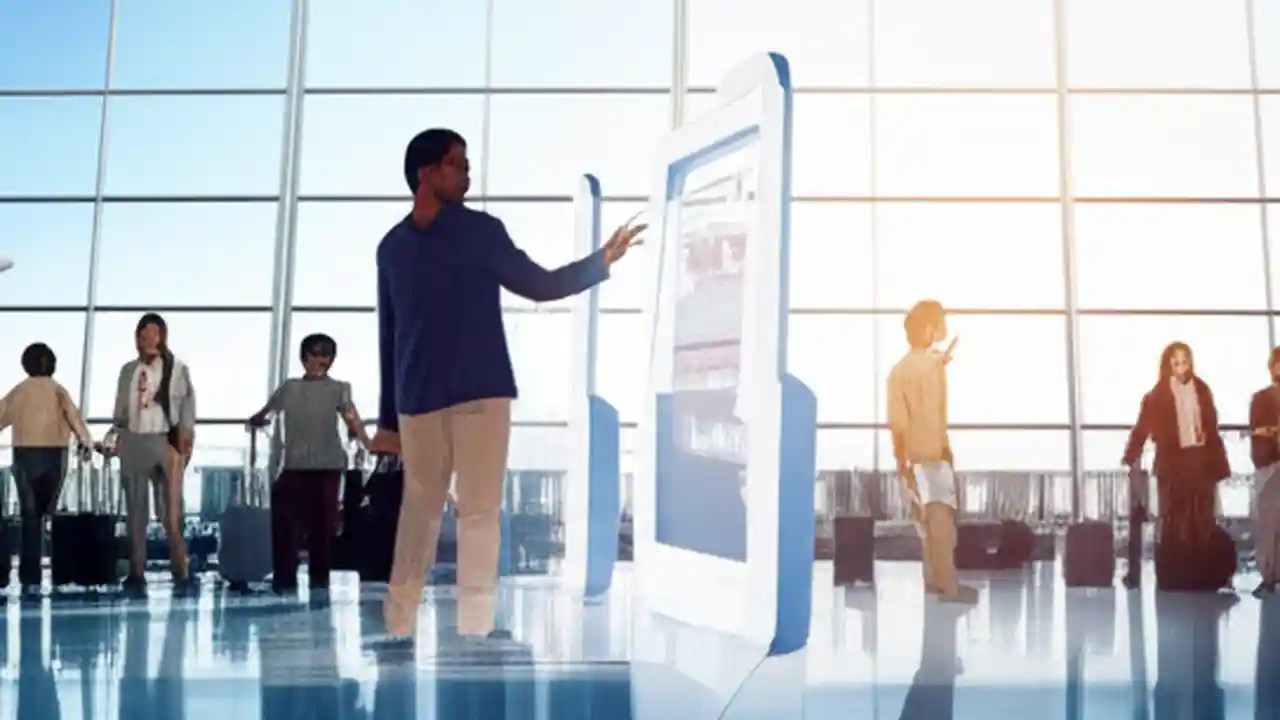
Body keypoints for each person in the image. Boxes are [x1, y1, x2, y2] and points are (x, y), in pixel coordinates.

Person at [372, 128, 644, 643]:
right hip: (419, 402)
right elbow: (388, 335)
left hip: (480, 394)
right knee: (420, 514)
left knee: (477, 514)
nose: (468, 171)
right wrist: (387, 422)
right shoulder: (391, 249)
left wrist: (600, 261)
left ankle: (471, 630)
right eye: (457, 163)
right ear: (426, 172)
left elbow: (539, 285)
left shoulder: (482, 232)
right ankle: (398, 623)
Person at [248, 332, 370, 593]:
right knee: (286, 522)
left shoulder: (339, 389)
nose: (323, 359)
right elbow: (266, 412)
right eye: (317, 353)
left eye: (327, 354)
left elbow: (352, 418)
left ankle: (318, 580)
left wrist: (367, 442)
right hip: (295, 465)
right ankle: (285, 577)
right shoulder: (290, 388)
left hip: (327, 465)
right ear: (305, 357)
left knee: (322, 528)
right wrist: (257, 421)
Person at [886, 300, 975, 604]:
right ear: (927, 328)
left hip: (912, 454)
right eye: (940, 322)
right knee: (942, 524)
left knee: (926, 523)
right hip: (934, 452)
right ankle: (948, 587)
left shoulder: (898, 371)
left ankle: (933, 581)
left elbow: (897, 422)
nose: (944, 328)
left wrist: (901, 461)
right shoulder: (932, 367)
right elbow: (933, 368)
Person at [1123, 341, 1231, 588]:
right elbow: (1143, 427)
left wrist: (1219, 463)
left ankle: (1201, 575)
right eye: (1175, 362)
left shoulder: (1201, 389)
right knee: (1173, 518)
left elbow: (1211, 427)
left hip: (1200, 460)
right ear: (1168, 364)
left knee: (1201, 517)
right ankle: (1173, 576)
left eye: (1184, 361)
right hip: (1173, 462)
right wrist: (1131, 455)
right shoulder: (1158, 394)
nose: (1180, 367)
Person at [108, 313, 197, 594]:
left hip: (164, 442)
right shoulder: (127, 370)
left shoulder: (177, 368)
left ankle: (180, 569)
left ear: (162, 337)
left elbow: (187, 408)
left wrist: (185, 442)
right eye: (142, 334)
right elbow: (122, 409)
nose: (147, 339)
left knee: (171, 514)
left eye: (153, 333)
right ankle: (136, 572)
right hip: (134, 441)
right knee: (135, 513)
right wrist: (116, 434)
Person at [0, 343, 93, 596]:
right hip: (55, 455)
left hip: (25, 455)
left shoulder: (19, 392)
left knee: (30, 517)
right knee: (48, 515)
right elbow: (74, 417)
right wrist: (85, 442)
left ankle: (30, 575)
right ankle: (56, 568)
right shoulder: (58, 390)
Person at [1249, 346, 1280, 598]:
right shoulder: (1261, 398)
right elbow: (1258, 431)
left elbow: (1264, 431)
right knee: (1268, 523)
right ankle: (1268, 576)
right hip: (1270, 465)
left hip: (1270, 463)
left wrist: (1271, 432)